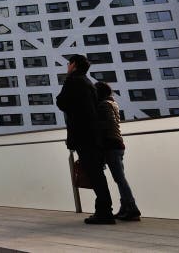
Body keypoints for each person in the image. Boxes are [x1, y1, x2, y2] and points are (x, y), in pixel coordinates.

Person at [56, 54, 114, 224]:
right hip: (93, 134)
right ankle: (104, 210)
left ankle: (105, 212)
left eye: (68, 64)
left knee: (95, 174)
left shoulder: (73, 80)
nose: (67, 67)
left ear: (73, 65)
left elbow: (62, 102)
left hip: (83, 134)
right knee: (97, 173)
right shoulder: (88, 83)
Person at [95, 81, 141, 221]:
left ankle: (132, 208)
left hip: (111, 145)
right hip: (118, 144)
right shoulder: (113, 103)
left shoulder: (103, 105)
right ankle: (125, 207)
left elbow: (105, 125)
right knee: (120, 178)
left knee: (120, 179)